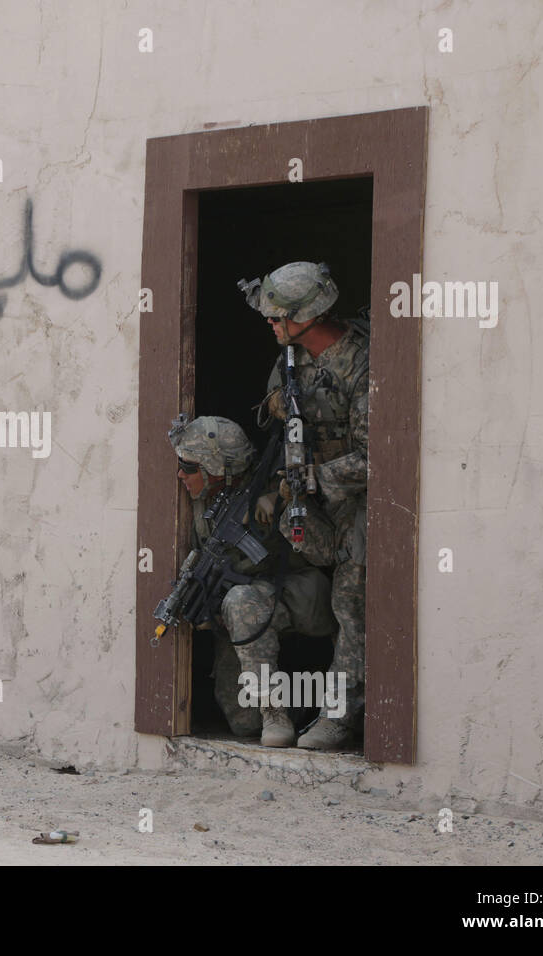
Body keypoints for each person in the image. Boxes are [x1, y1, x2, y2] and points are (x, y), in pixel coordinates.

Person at [239, 261, 369, 750]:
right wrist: (277, 486)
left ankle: (339, 716)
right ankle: (264, 711)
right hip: (303, 504)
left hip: (353, 500)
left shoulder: (360, 364)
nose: (270, 324)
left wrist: (315, 477)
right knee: (246, 588)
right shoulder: (290, 360)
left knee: (350, 602)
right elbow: (281, 432)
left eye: (278, 316)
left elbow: (376, 456)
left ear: (309, 315)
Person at [168, 415, 337, 747]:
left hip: (302, 594)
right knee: (242, 722)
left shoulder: (275, 486)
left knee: (241, 600)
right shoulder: (206, 507)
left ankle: (275, 712)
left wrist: (283, 504)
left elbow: (327, 552)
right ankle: (301, 704)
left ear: (217, 468)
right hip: (249, 613)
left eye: (188, 467)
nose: (180, 474)